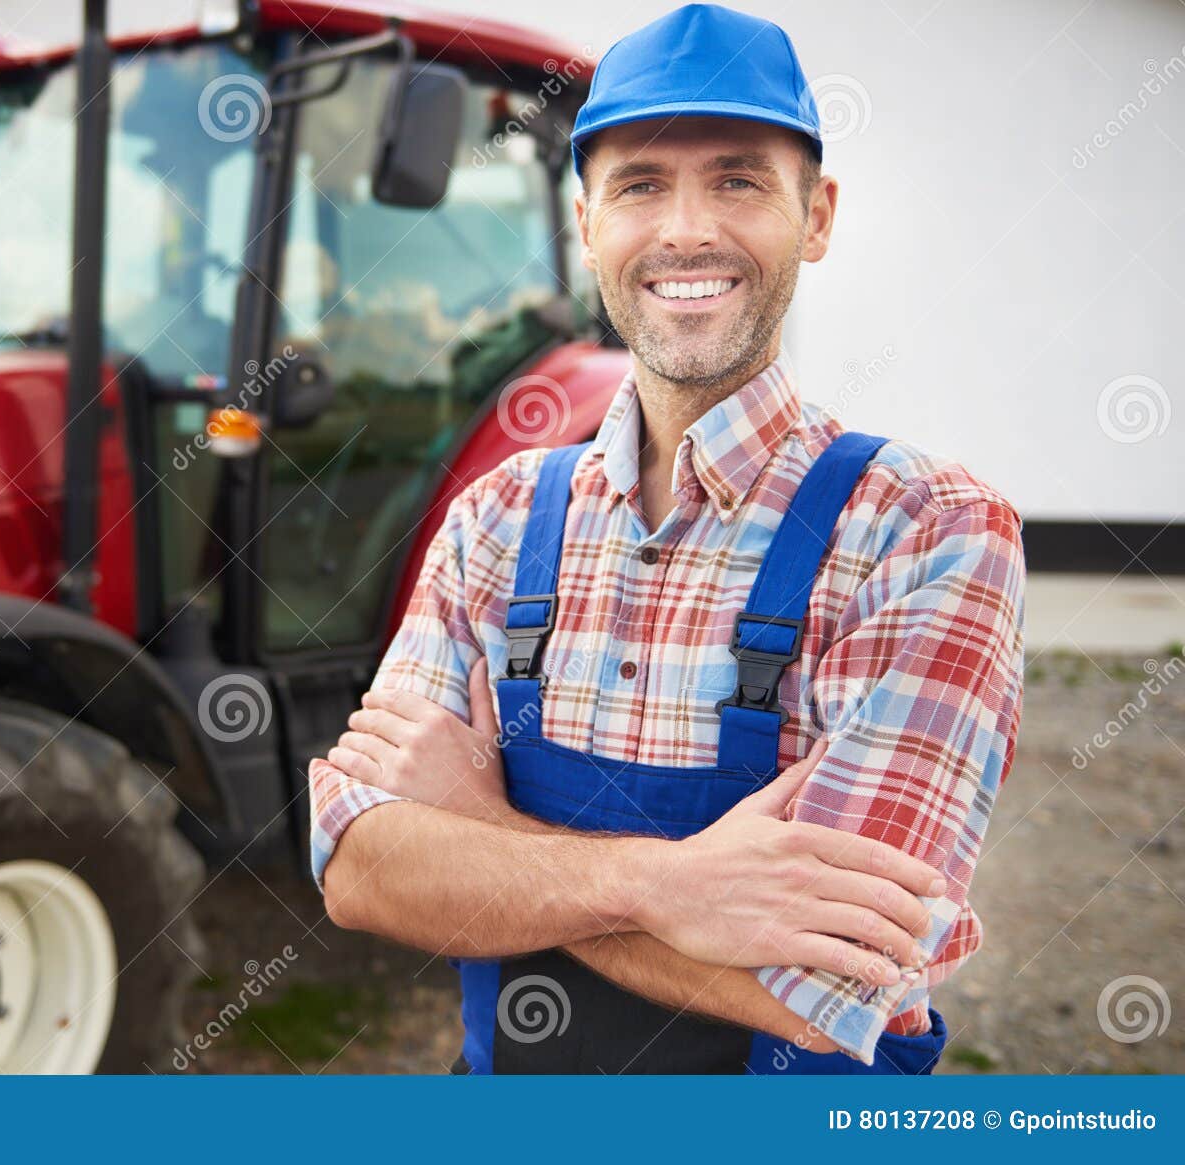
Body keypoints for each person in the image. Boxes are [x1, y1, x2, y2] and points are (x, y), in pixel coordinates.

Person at [308, 3, 1025, 1074]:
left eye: (737, 179)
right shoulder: (495, 521)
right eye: (641, 184)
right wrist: (665, 888)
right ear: (588, 220)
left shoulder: (927, 533)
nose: (685, 229)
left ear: (816, 217)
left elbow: (837, 991)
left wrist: (479, 831)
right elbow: (361, 873)